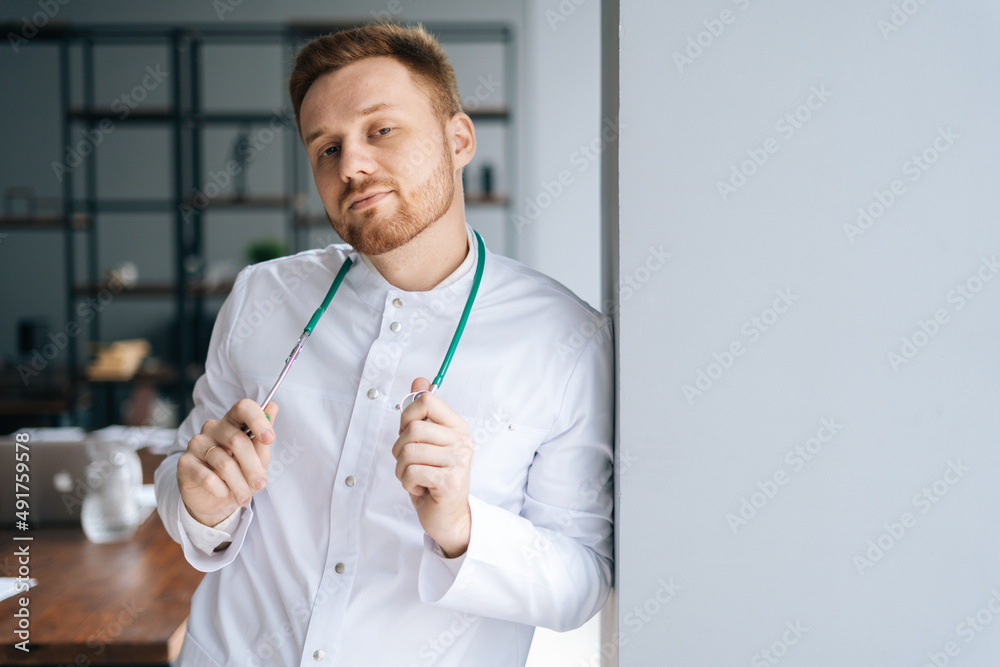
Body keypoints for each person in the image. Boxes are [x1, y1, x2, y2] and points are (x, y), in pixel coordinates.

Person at [155, 22, 613, 667]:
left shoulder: (568, 340)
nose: (353, 165)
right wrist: (200, 505)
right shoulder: (261, 297)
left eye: (381, 130)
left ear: (459, 140)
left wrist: (461, 527)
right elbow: (183, 481)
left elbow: (582, 582)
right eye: (326, 148)